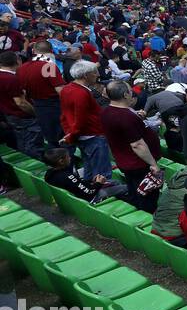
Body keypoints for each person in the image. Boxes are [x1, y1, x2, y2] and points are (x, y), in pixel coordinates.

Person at [100, 79, 163, 211]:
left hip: (126, 161)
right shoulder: (125, 116)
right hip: (139, 164)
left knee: (135, 192)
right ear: (125, 95)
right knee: (147, 196)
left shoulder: (107, 111)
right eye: (130, 91)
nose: (132, 93)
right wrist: (153, 164)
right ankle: (147, 219)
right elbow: (137, 144)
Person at [59, 59, 112, 183]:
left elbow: (64, 115)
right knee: (102, 173)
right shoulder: (80, 93)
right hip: (92, 135)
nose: (98, 75)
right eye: (94, 72)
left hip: (82, 135)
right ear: (85, 75)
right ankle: (102, 197)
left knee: (89, 168)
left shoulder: (67, 89)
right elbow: (80, 118)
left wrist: (70, 133)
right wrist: (71, 136)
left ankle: (90, 191)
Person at [42, 147, 126, 204]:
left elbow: (76, 185)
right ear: (61, 161)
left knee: (115, 182)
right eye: (68, 157)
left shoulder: (49, 174)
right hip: (90, 197)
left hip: (80, 194)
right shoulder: (67, 176)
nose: (70, 158)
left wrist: (91, 182)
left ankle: (119, 198)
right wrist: (98, 183)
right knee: (126, 187)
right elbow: (89, 192)